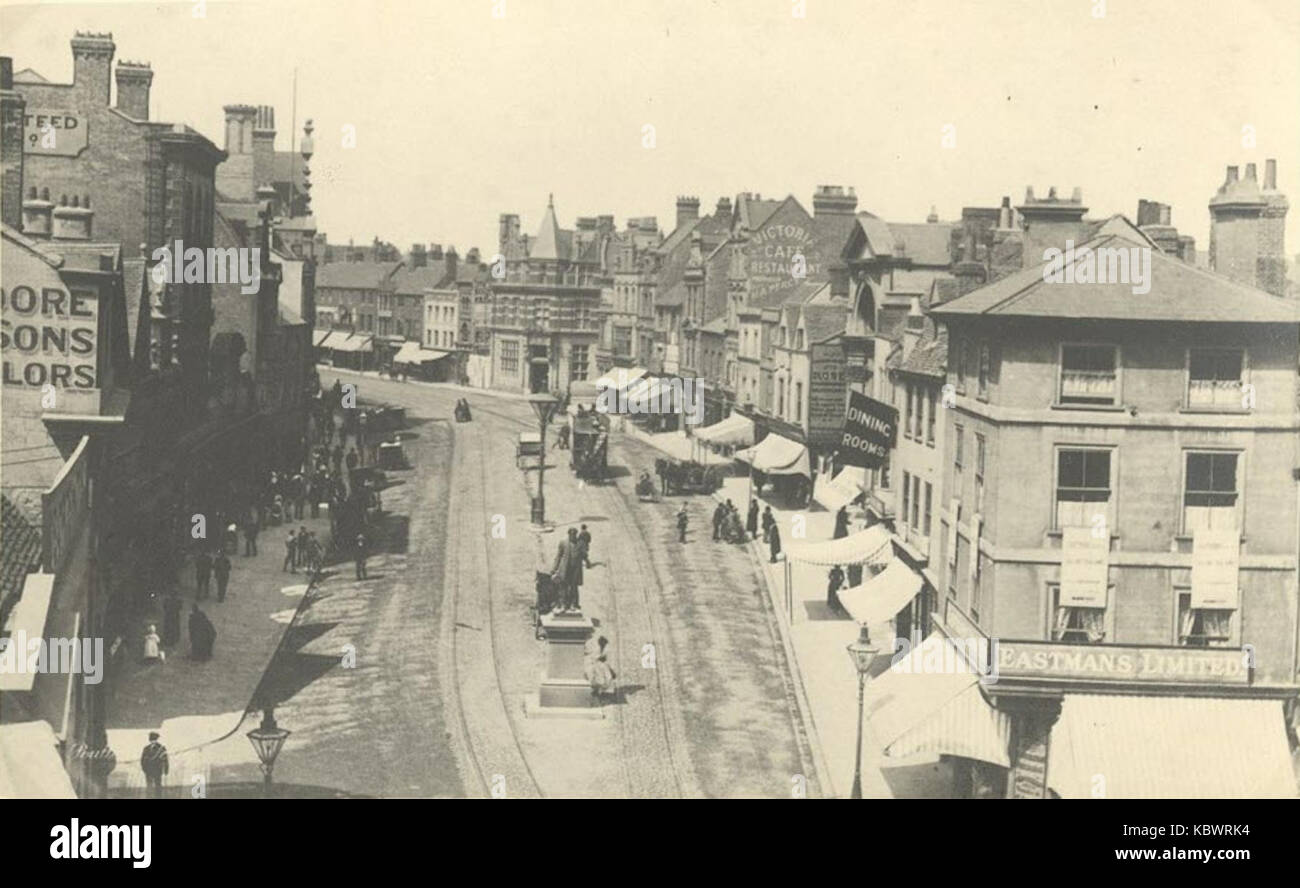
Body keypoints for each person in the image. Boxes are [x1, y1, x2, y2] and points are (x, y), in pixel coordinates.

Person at [549, 528, 581, 613]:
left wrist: (588, 561)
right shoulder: (563, 543)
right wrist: (554, 569)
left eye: (574, 535)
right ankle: (563, 604)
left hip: (575, 570)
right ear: (569, 534)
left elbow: (583, 554)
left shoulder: (579, 543)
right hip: (564, 569)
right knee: (563, 587)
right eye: (571, 535)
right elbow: (558, 556)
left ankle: (572, 604)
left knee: (573, 587)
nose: (573, 536)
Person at [140, 732, 169, 799]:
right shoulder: (146, 748)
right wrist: (144, 769)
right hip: (148, 770)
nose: (153, 741)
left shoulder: (161, 748)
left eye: (154, 739)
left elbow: (165, 759)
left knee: (158, 786)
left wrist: (166, 770)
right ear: (149, 740)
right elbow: (142, 760)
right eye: (151, 739)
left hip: (157, 770)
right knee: (149, 786)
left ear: (157, 739)